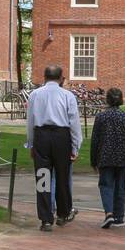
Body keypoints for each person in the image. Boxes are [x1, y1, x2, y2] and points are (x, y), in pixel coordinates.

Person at [25, 65, 81, 232]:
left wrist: (31, 143)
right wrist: (75, 146)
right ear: (61, 78)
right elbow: (74, 123)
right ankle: (63, 213)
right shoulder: (67, 96)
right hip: (61, 136)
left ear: (44, 77)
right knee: (62, 176)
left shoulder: (35, 95)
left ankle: (45, 218)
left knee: (43, 177)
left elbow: (30, 120)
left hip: (41, 136)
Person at [91, 87, 125, 228]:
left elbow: (95, 140)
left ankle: (109, 213)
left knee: (106, 185)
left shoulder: (101, 117)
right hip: (123, 157)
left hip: (105, 156)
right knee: (121, 187)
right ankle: (119, 217)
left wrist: (93, 161)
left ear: (107, 100)